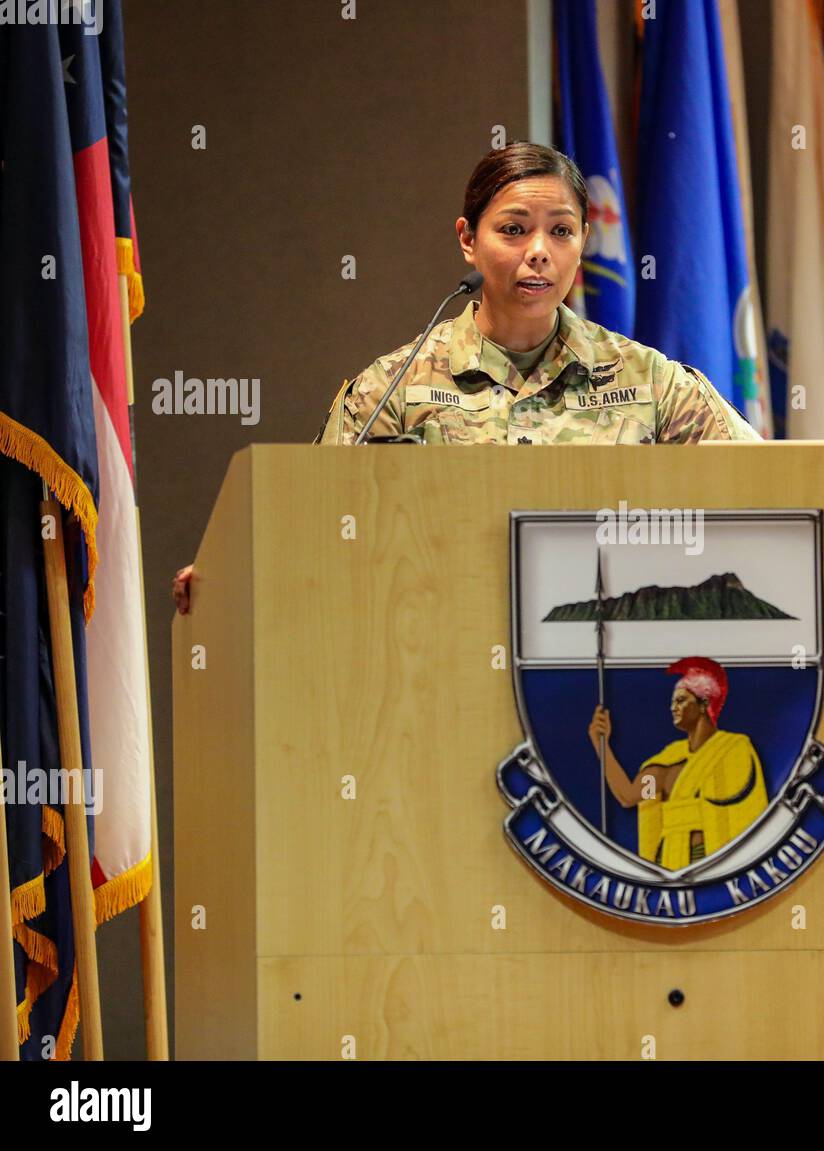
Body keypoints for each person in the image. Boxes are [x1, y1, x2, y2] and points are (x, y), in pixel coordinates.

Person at [172, 142, 760, 613]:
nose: (539, 252)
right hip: (434, 655)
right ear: (467, 240)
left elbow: (769, 492)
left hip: (603, 657)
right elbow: (316, 525)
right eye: (512, 229)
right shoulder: (392, 390)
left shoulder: (650, 383)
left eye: (561, 231)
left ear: (583, 244)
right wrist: (233, 577)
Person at [589, 657, 768, 868]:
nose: (673, 707)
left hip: (711, 860)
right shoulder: (666, 763)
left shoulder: (733, 750)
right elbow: (628, 796)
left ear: (704, 704)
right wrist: (602, 745)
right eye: (673, 701)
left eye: (681, 700)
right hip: (667, 860)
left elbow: (742, 812)